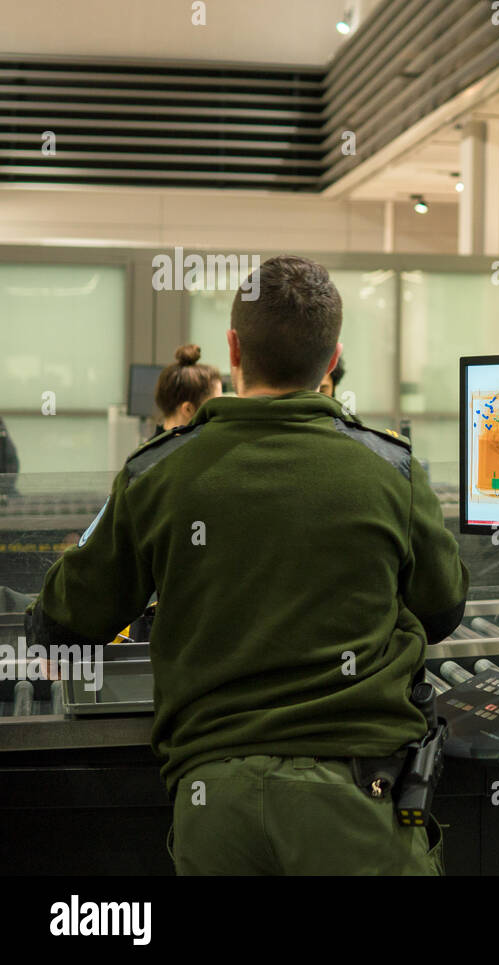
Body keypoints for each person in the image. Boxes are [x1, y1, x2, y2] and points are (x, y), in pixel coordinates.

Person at [25, 255, 469, 875]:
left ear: (233, 346)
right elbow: (444, 608)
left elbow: (64, 624)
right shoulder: (392, 471)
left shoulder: (157, 472)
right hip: (358, 801)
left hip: (214, 801)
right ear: (333, 356)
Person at [153, 344, 223, 436]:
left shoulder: (148, 448)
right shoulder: (202, 448)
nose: (221, 412)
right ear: (188, 409)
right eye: (216, 406)